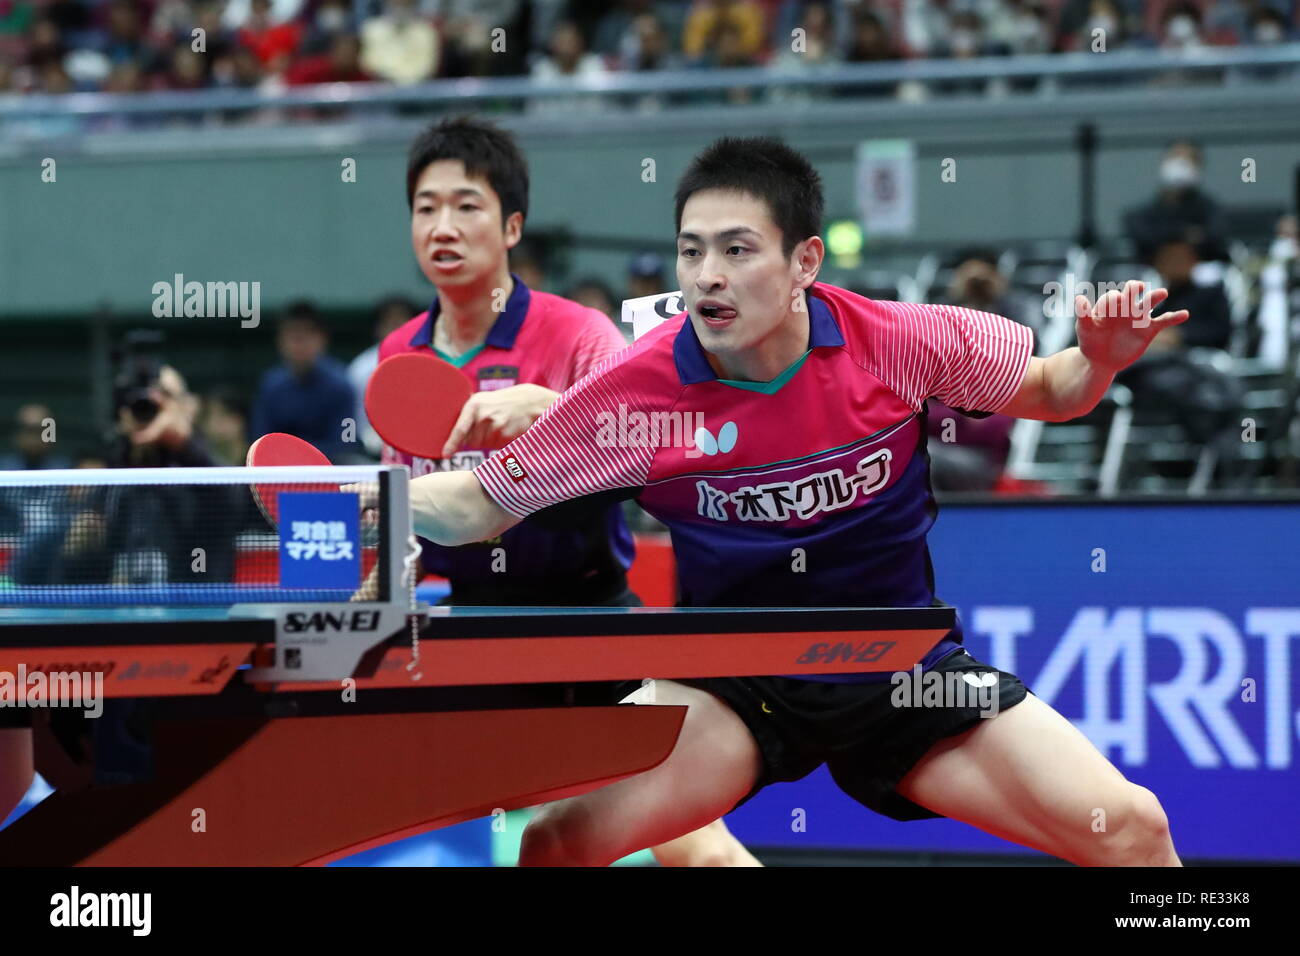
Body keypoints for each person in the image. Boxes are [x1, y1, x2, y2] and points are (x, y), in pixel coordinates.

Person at [395, 137, 1187, 866]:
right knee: (559, 843)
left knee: (1131, 829)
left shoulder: (898, 342)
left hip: (898, 669)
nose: (708, 275)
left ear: (806, 260)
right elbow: (479, 504)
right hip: (734, 676)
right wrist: (350, 498)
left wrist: (1097, 362)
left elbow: (1053, 389)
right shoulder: (637, 394)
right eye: (691, 251)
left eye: (738, 251)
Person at [380, 116, 760, 866]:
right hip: (461, 637)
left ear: (512, 224)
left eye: (466, 205)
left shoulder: (578, 333)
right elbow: (407, 506)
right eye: (426, 208)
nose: (443, 227)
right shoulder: (399, 354)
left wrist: (548, 413)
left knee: (698, 853)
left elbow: (650, 448)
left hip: (585, 627)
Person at [250, 302, 357, 462]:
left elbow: (347, 442)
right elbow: (260, 439)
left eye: (307, 335)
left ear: (322, 339)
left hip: (331, 469)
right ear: (280, 341)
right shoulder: (270, 384)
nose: (299, 343)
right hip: (280, 469)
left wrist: (301, 456)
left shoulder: (342, 385)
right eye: (292, 335)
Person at [1123, 140, 1229, 264]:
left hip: (1203, 271)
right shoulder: (1143, 212)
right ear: (1163, 161)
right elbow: (1143, 237)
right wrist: (1185, 233)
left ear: (1199, 167)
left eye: (1189, 159)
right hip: (1153, 272)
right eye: (1175, 156)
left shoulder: (1210, 209)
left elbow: (1215, 238)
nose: (1181, 164)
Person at [346, 295, 418, 458]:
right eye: (389, 323)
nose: (396, 328)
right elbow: (351, 423)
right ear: (378, 328)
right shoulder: (361, 368)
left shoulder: (429, 362)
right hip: (370, 452)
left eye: (402, 322)